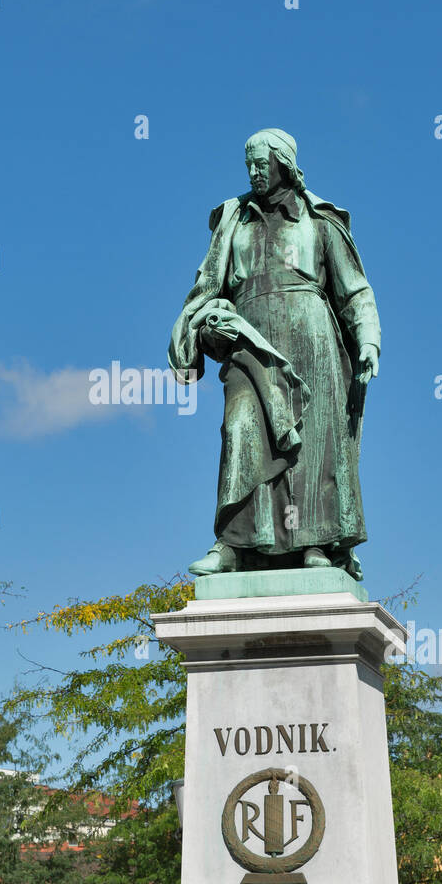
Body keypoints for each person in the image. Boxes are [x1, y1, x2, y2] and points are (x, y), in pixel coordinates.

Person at [168, 129, 380, 578]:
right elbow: (208, 287)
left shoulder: (320, 221)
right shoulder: (234, 220)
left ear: (284, 162)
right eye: (249, 165)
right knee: (239, 429)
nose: (254, 172)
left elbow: (354, 291)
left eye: (261, 164)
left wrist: (368, 341)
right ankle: (233, 545)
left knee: (312, 447)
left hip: (314, 342)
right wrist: (203, 325)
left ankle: (315, 544)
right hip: (250, 341)